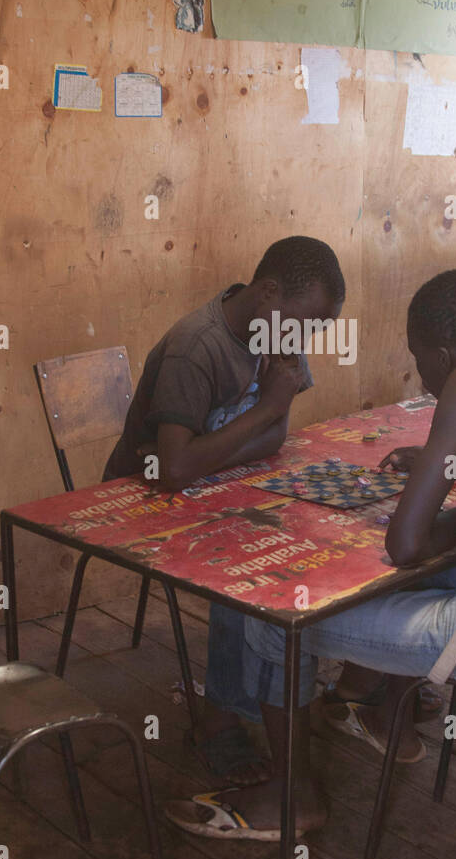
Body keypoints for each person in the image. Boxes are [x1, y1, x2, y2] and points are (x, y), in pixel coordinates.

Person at [165, 267, 456, 840]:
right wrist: (444, 511)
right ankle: (389, 722)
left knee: (278, 623)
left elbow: (404, 544)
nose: (424, 376)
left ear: (443, 352)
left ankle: (292, 799)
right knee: (425, 578)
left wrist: (430, 494)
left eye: (419, 358)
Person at [103, 235, 345, 785]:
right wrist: (265, 410)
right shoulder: (198, 346)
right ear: (269, 292)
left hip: (212, 483)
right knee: (243, 568)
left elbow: (274, 439)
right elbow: (169, 470)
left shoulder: (280, 332)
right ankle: (217, 720)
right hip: (134, 499)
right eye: (306, 322)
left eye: (319, 328)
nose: (307, 338)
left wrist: (251, 427)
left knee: (304, 538)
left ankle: (273, 694)